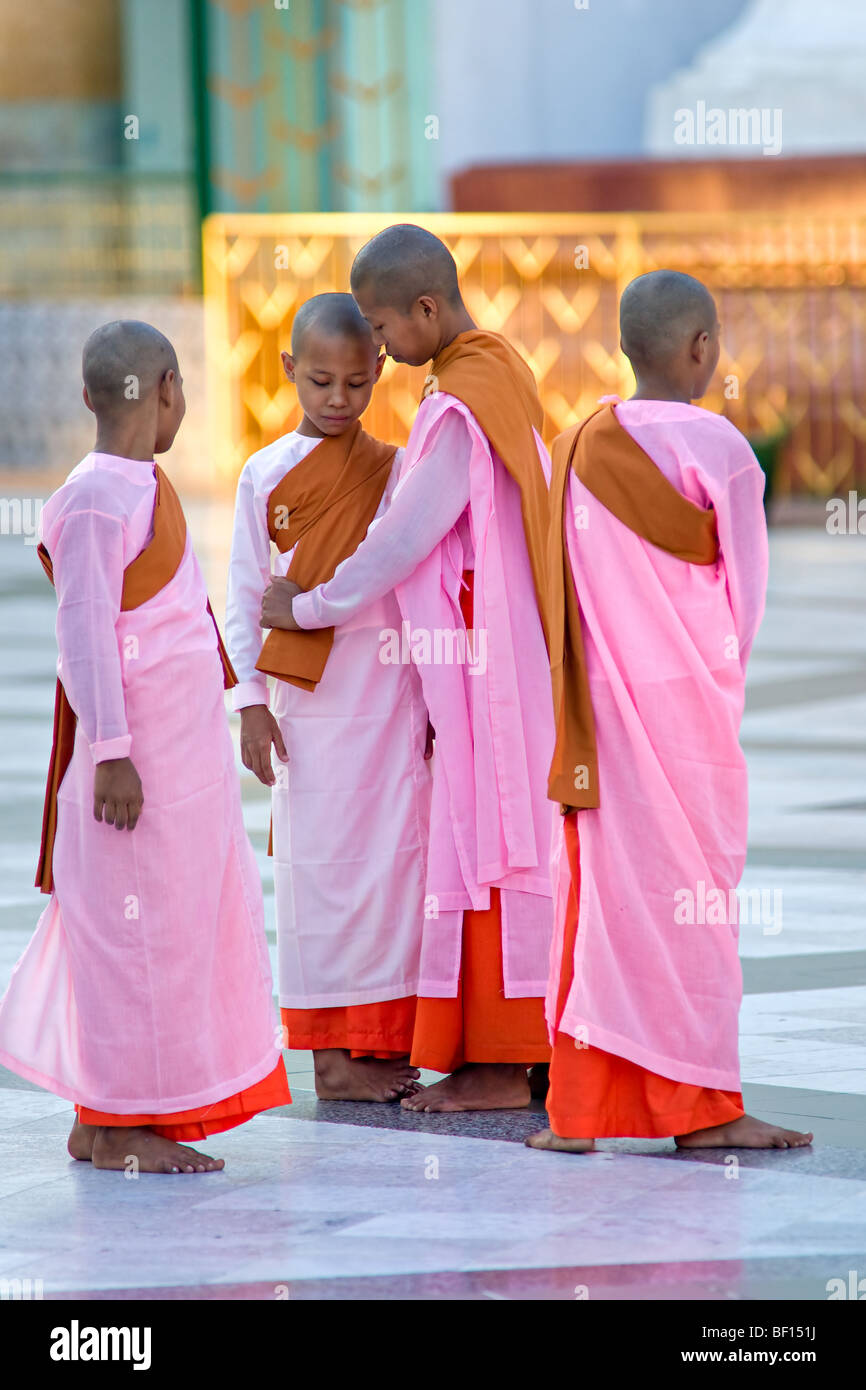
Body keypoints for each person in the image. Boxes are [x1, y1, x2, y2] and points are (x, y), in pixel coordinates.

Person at [260, 226, 554, 1112]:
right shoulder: (493, 372)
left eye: (384, 331)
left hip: (481, 664)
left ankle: (500, 1065)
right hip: (487, 654)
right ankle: (514, 1053)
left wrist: (308, 606)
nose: (379, 349)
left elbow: (401, 541)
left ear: (427, 308)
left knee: (486, 836)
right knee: (496, 834)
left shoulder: (461, 403)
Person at [528, 270, 813, 1153]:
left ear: (624, 346)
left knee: (606, 898)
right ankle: (704, 1114)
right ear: (702, 349)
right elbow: (746, 596)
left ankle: (578, 1114)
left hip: (598, 712)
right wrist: (708, 673)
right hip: (686, 708)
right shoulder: (720, 447)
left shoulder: (576, 443)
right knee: (692, 896)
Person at [0, 320, 289, 1174]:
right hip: (130, 770)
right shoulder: (95, 497)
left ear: (91, 397)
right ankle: (121, 1121)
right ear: (167, 388)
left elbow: (182, 619)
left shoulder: (141, 484)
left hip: (175, 763)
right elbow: (83, 631)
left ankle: (106, 1121)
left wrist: (237, 705)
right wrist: (114, 750)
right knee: (131, 940)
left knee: (163, 930)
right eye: (184, 390)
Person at [226, 293, 431, 1103]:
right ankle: (330, 1058)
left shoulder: (398, 468)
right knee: (317, 876)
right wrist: (247, 703)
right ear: (287, 372)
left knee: (393, 872)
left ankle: (379, 1045)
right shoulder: (263, 475)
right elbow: (245, 596)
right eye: (319, 383)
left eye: (355, 383)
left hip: (388, 699)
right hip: (306, 712)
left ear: (379, 370)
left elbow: (409, 584)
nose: (339, 401)